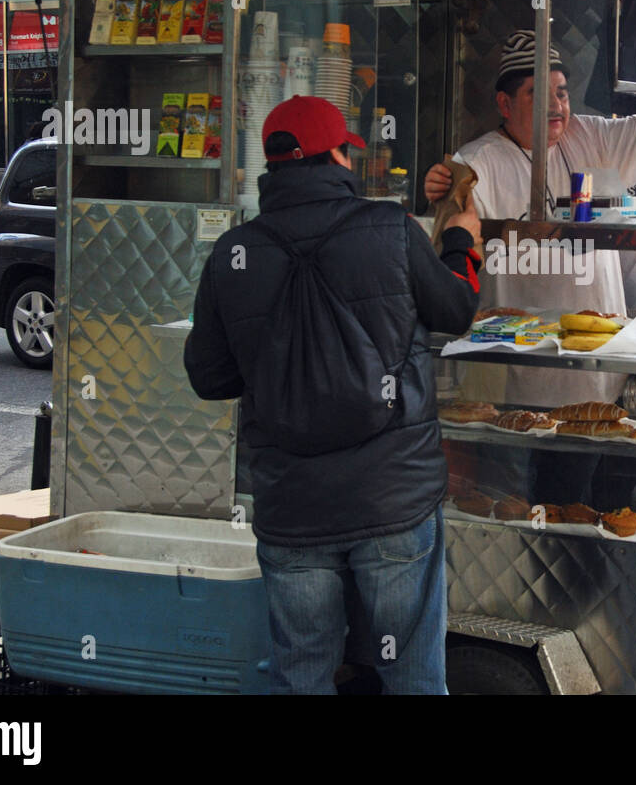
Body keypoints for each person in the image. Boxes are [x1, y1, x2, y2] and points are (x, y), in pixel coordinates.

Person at [184, 94, 482, 694]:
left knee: (303, 675)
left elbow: (209, 378)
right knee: (414, 676)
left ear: (273, 169)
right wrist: (460, 241)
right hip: (392, 500)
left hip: (292, 510)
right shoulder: (391, 229)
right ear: (337, 156)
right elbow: (456, 307)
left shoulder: (233, 254)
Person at [424, 28, 636, 503]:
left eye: (562, 91)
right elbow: (453, 232)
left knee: (576, 509)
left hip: (594, 385)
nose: (557, 105)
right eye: (538, 93)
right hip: (516, 390)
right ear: (505, 104)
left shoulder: (590, 137)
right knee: (518, 511)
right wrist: (445, 189)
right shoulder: (481, 161)